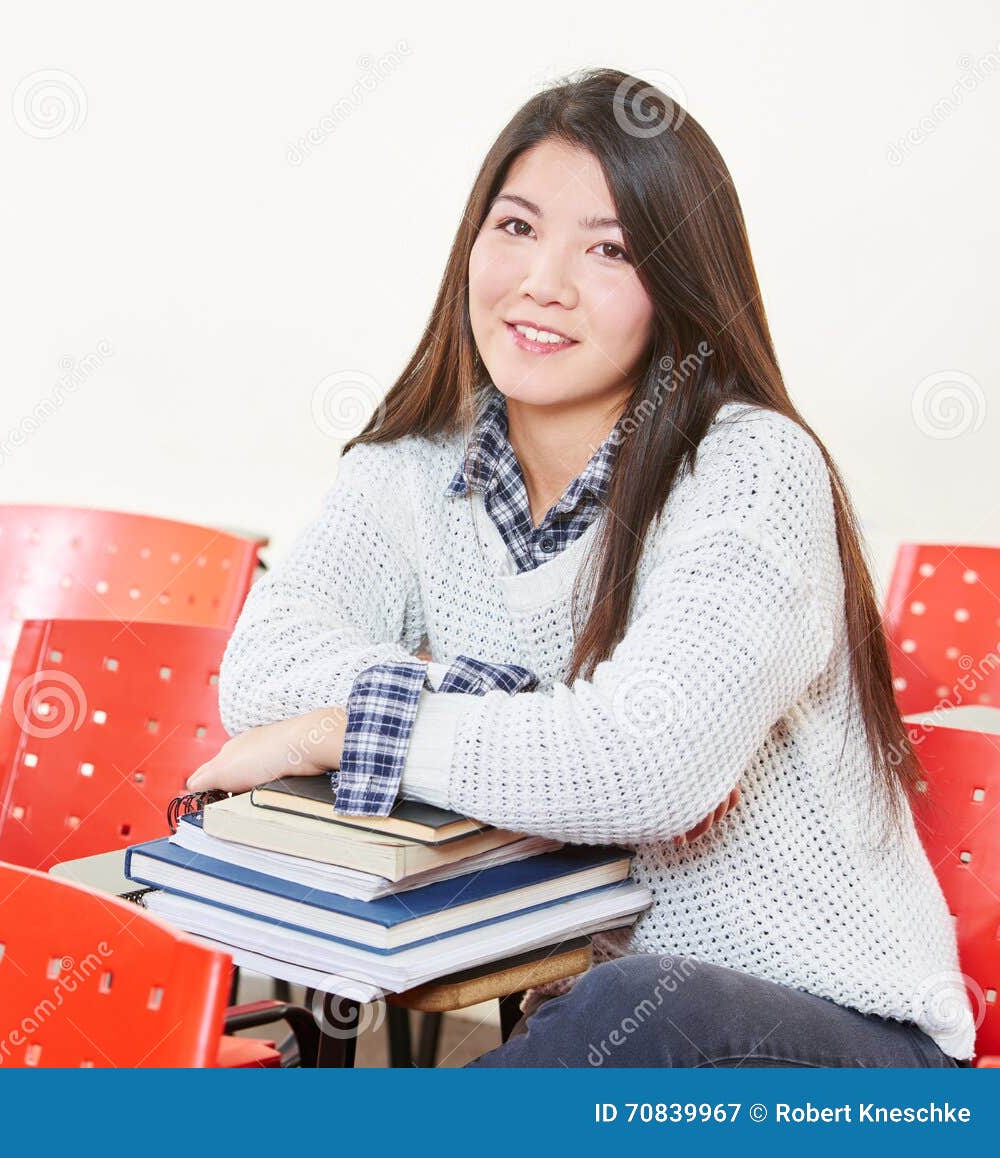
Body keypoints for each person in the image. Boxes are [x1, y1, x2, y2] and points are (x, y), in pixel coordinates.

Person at [186, 68, 974, 1068]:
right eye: (515, 228)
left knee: (630, 1008)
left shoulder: (749, 469)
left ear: (679, 285)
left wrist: (339, 732)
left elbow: (642, 771)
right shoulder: (412, 470)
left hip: (847, 1045)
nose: (542, 281)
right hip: (605, 1022)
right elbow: (260, 671)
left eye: (608, 249)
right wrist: (545, 715)